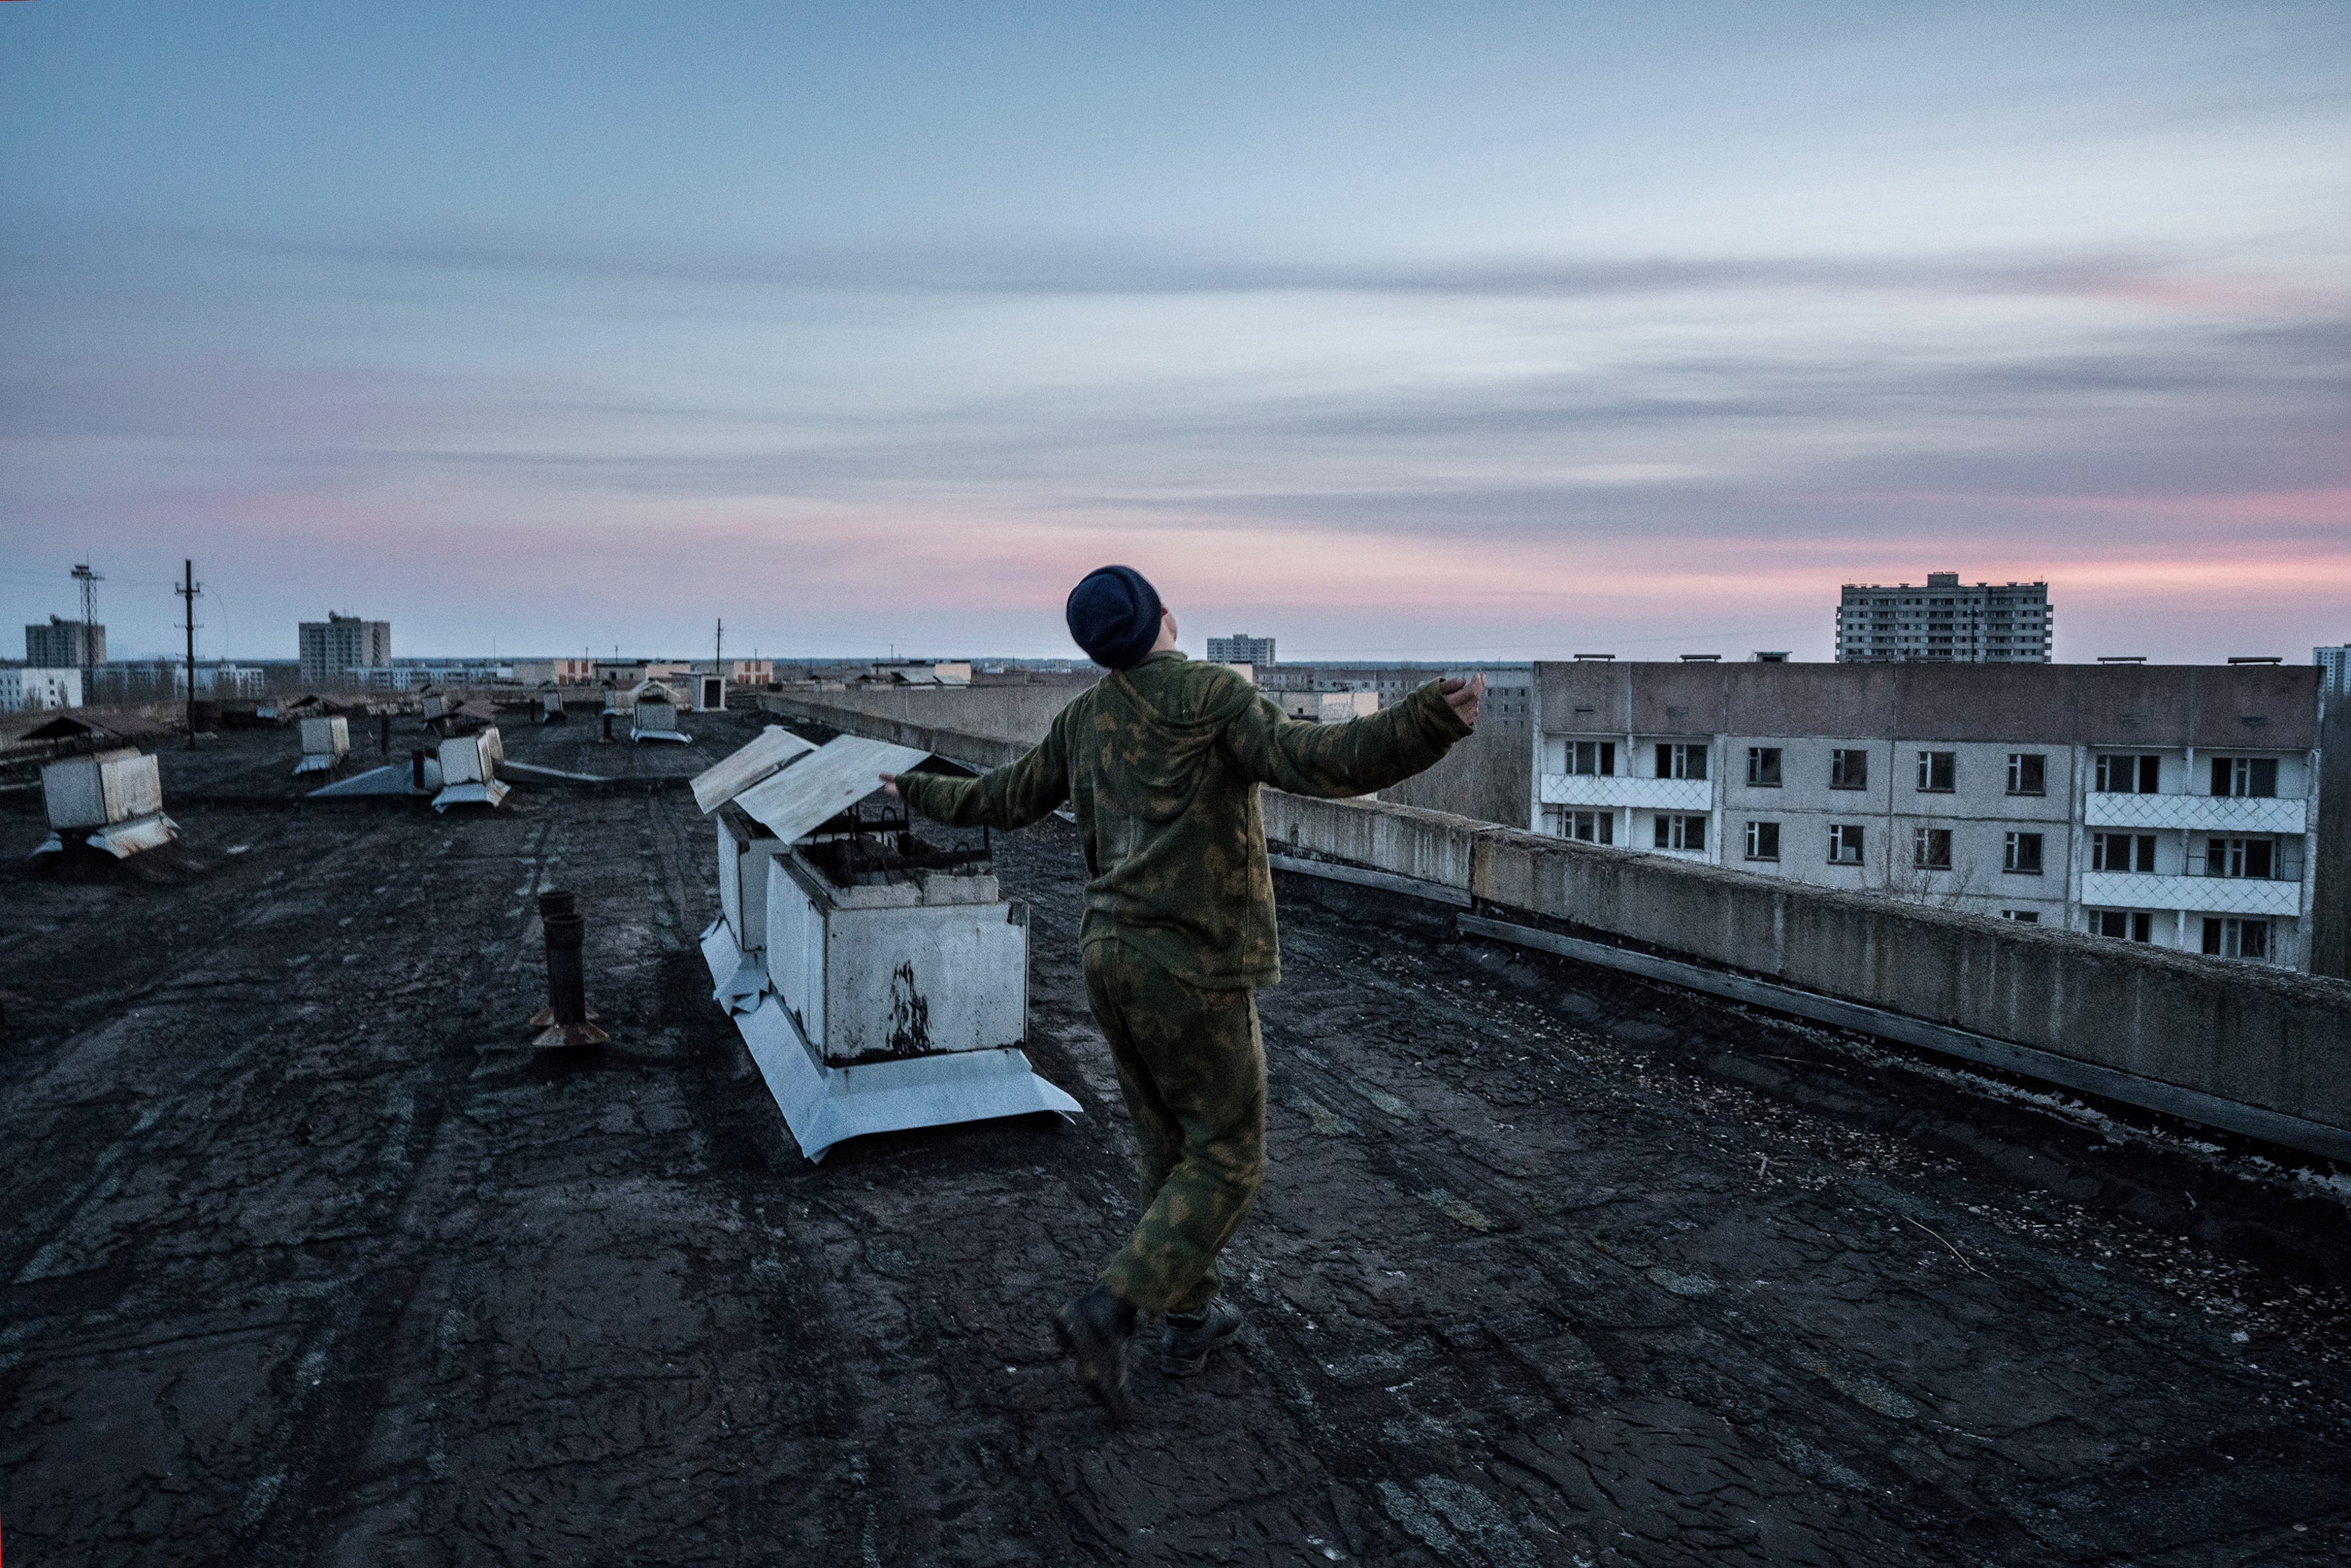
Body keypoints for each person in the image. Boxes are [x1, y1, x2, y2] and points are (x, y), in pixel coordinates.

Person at [881, 564, 1481, 1422]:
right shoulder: (1211, 696)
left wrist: (915, 787)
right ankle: (1113, 1307)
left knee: (1169, 1142)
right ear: (1165, 614)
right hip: (1191, 963)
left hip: (1108, 959)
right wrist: (1429, 718)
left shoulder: (1086, 717)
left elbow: (1001, 799)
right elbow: (1321, 760)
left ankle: (1191, 1318)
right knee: (1229, 1151)